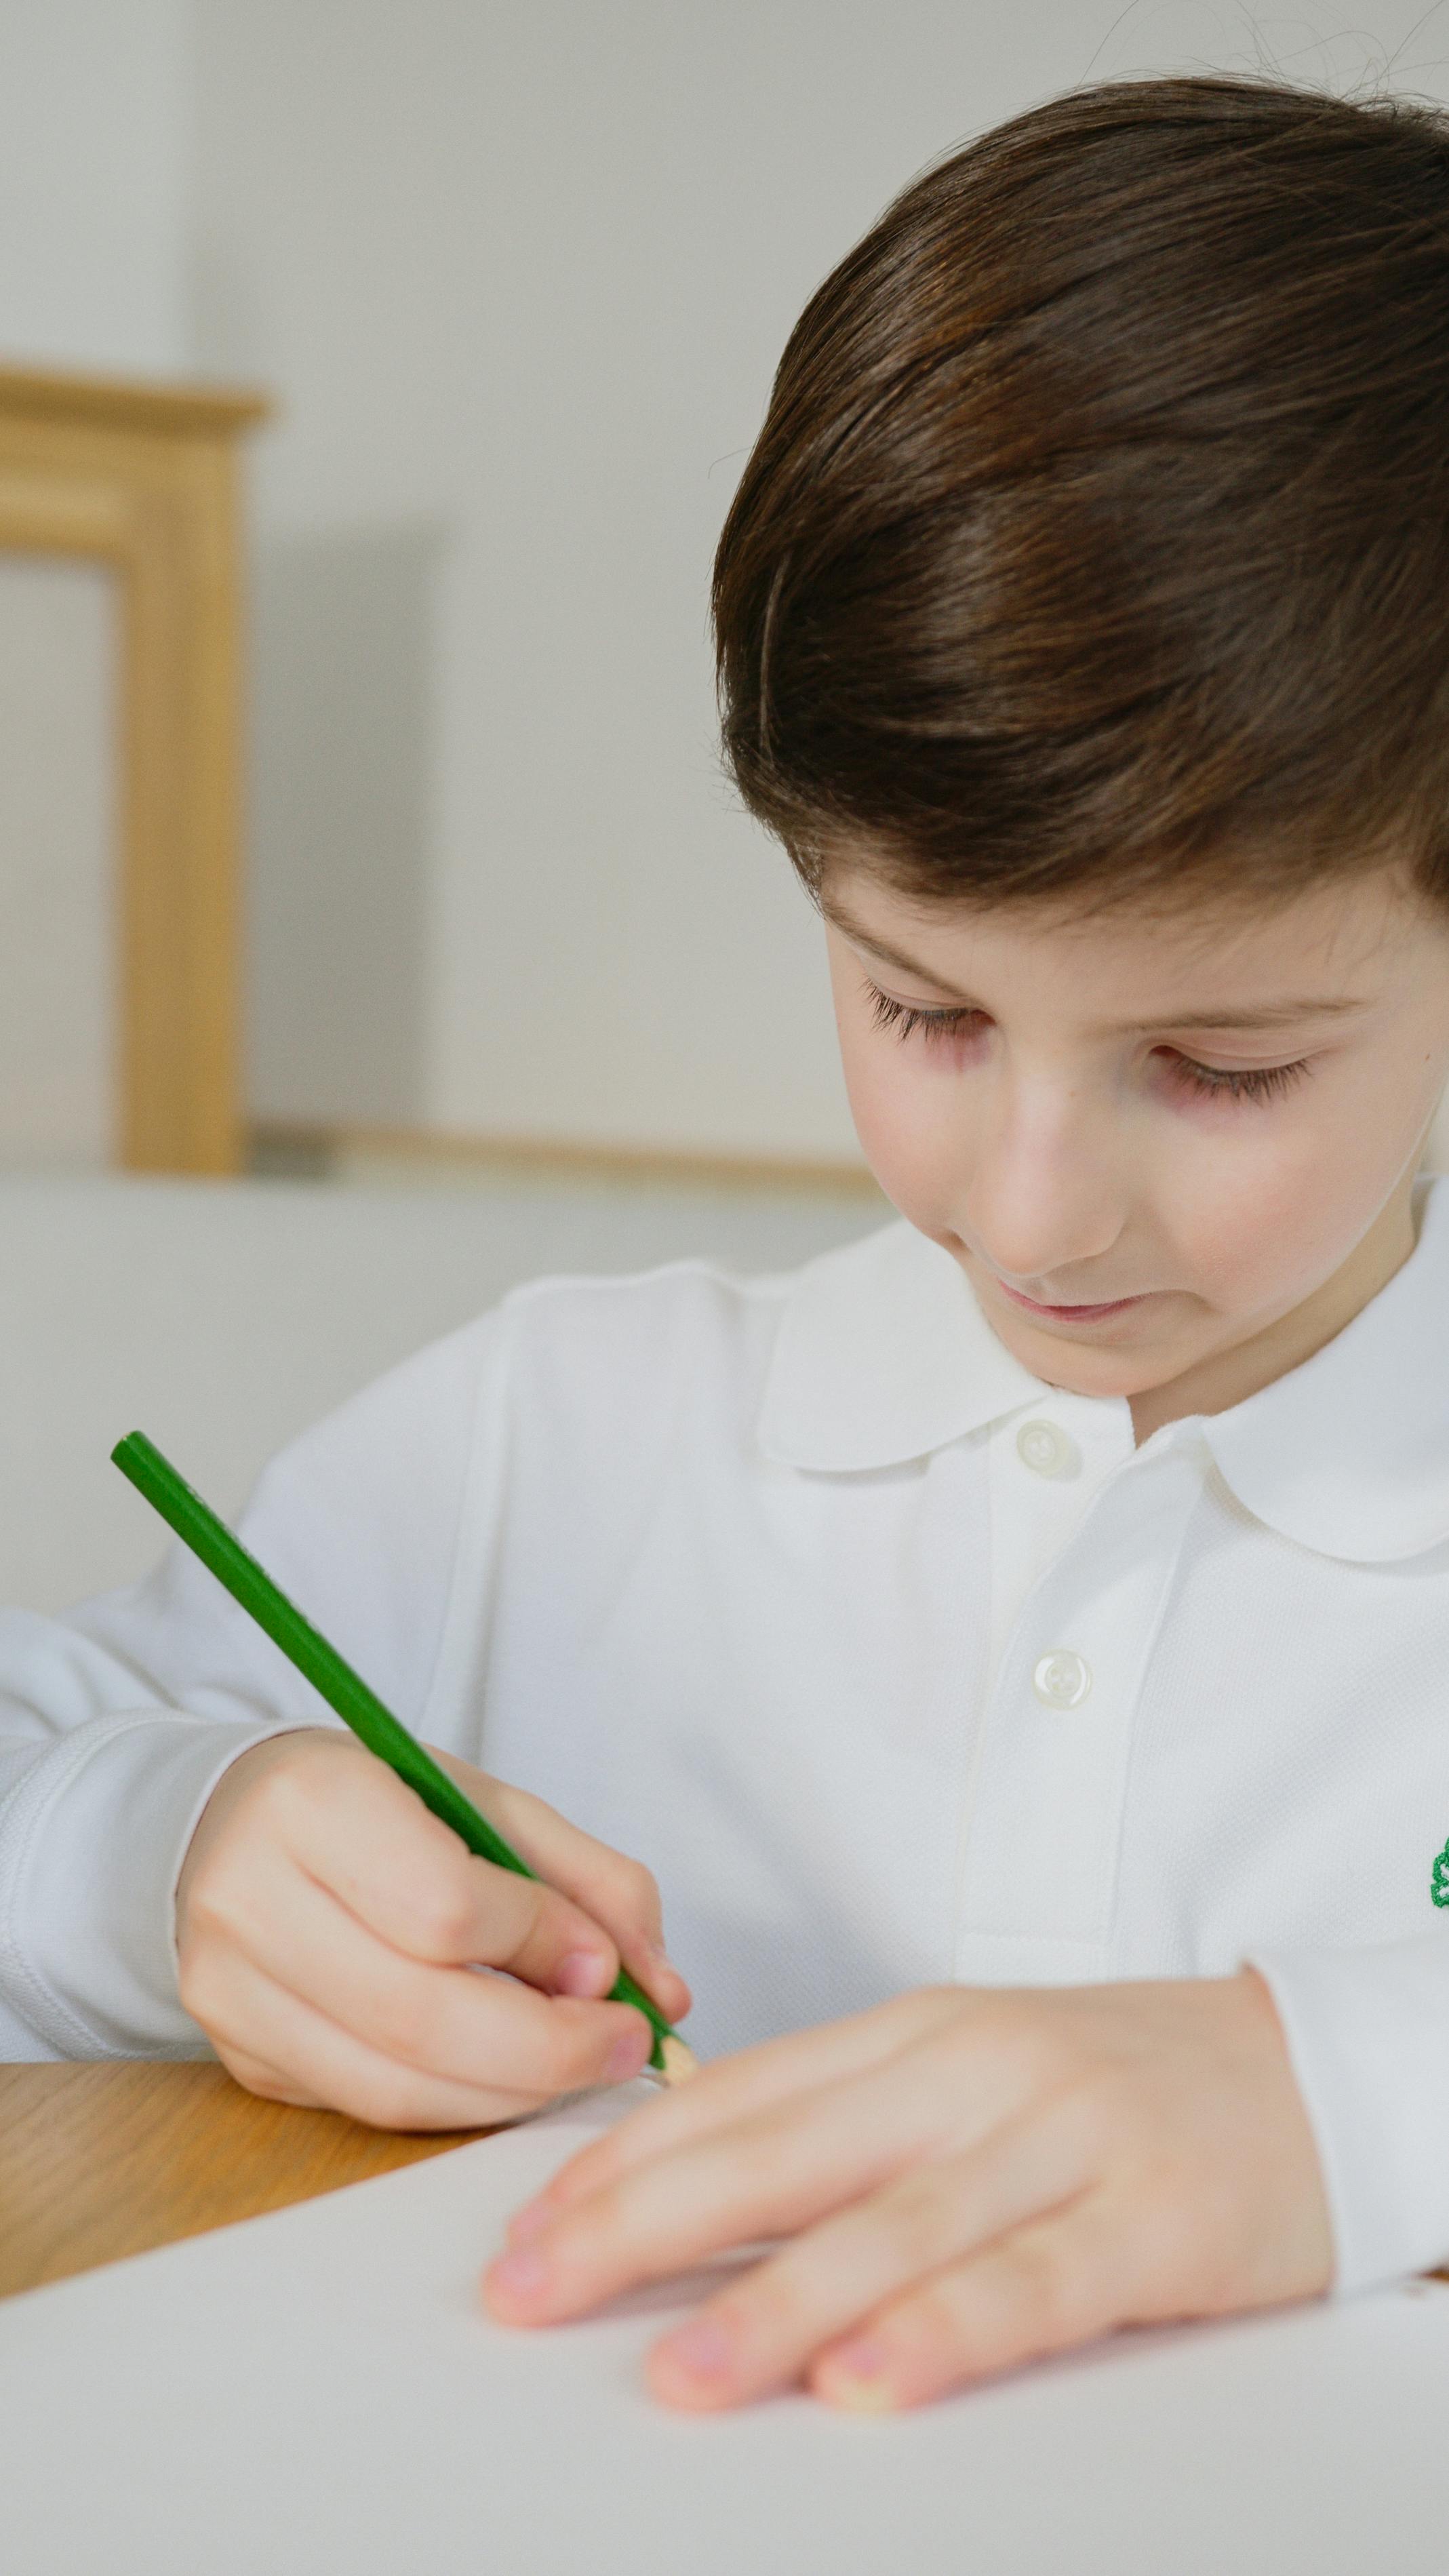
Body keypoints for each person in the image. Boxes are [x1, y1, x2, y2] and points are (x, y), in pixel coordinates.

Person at [5, 71, 1449, 2413]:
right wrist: (162, 1855)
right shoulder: (562, 1441)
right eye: (922, 1008)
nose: (1027, 1204)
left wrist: (1342, 2098)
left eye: (1219, 1067)